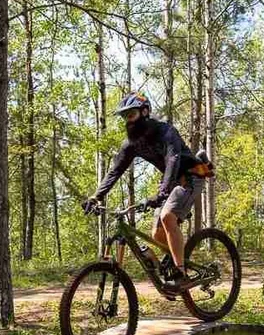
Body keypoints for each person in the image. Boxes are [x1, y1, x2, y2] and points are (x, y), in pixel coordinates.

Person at [82, 91, 213, 292]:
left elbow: (173, 161)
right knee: (156, 233)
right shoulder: (132, 144)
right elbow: (115, 170)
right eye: (125, 117)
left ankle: (181, 274)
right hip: (170, 182)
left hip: (190, 176)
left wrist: (161, 193)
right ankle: (173, 262)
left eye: (131, 115)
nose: (128, 121)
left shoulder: (167, 132)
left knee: (168, 216)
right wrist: (96, 196)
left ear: (145, 112)